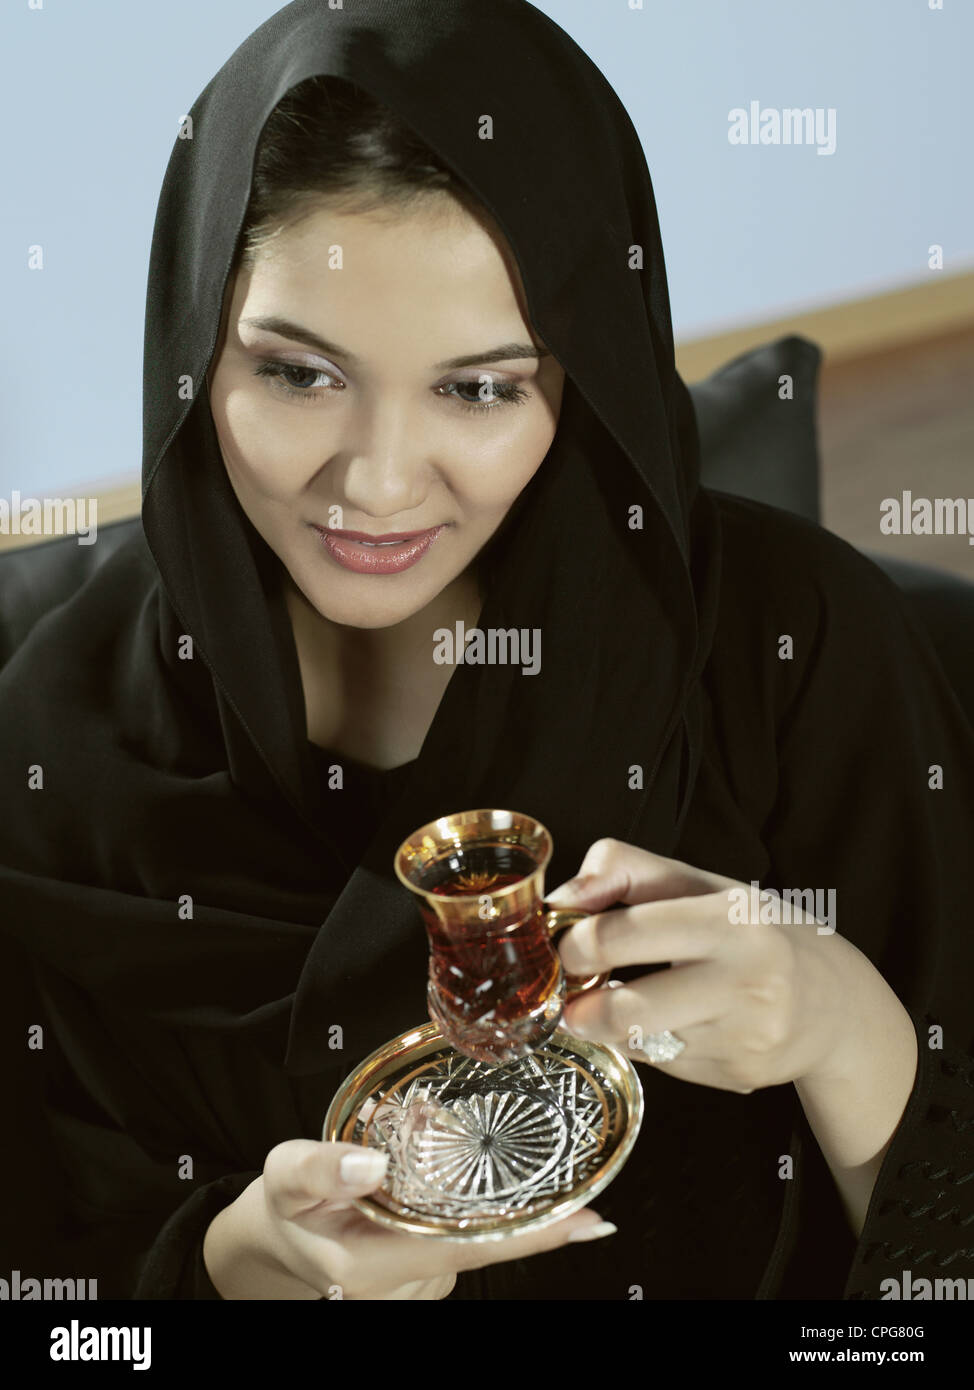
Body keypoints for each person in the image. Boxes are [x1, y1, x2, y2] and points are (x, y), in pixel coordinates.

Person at [1, 0, 972, 1302]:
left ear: (582, 377)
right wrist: (222, 1268)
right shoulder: (45, 753)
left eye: (479, 386)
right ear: (191, 353)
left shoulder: (790, 652)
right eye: (298, 373)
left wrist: (839, 1020)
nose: (378, 481)